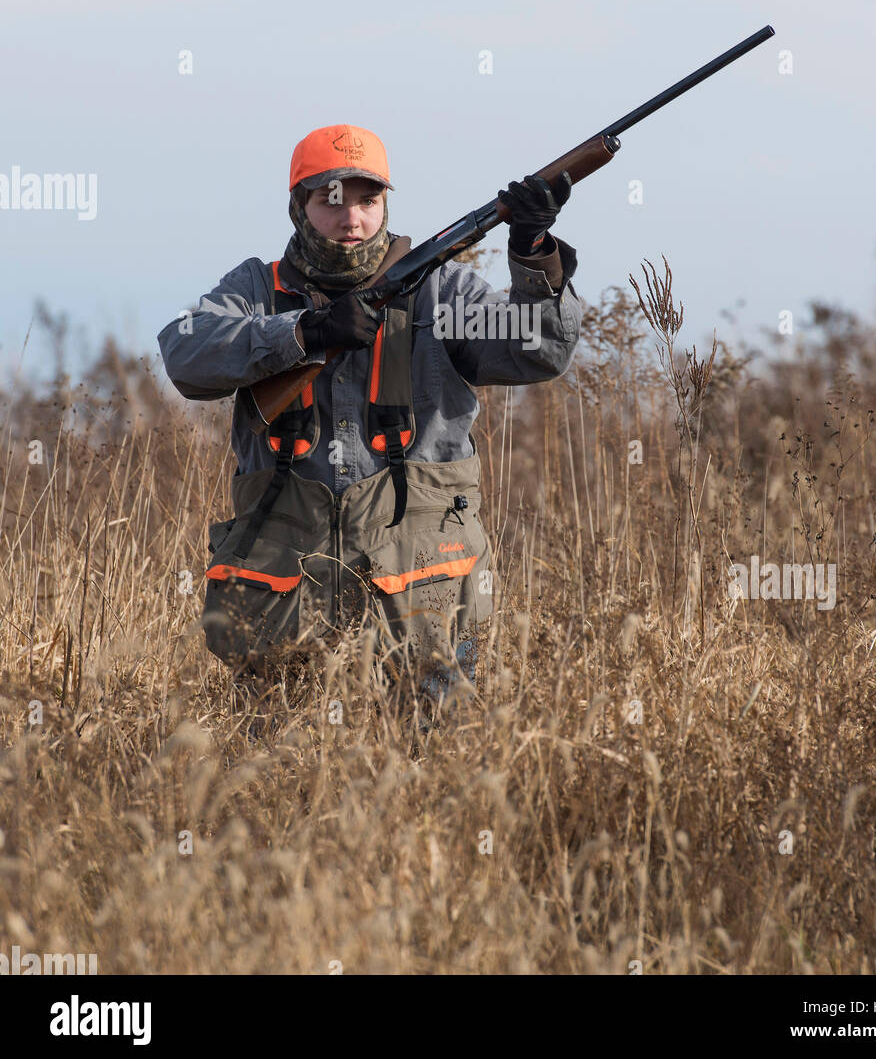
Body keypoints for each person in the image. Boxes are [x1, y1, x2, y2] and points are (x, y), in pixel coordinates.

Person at [157, 124, 581, 718]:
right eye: (331, 200)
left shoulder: (440, 288)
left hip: (422, 585)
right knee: (280, 770)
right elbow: (184, 353)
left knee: (433, 768)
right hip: (285, 590)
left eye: (368, 200)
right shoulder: (259, 288)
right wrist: (302, 332)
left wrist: (534, 253)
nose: (351, 218)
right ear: (299, 206)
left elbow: (537, 350)